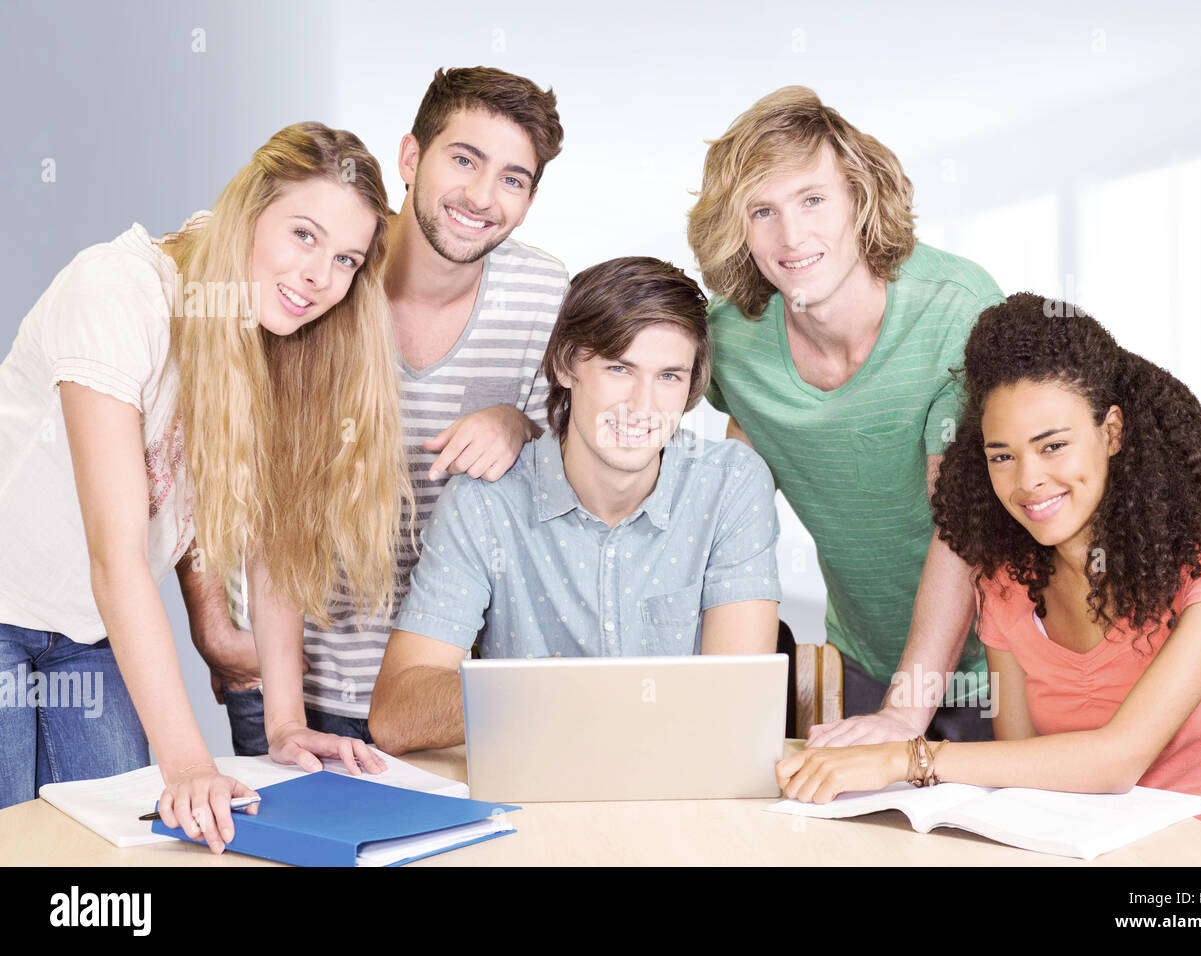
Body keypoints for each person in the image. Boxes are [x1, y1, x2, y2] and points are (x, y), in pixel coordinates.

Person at [0, 122, 410, 851]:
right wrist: (187, 763)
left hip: (83, 635)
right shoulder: (116, 293)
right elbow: (117, 554)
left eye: (346, 258)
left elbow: (275, 539)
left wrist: (284, 723)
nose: (320, 277)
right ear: (247, 211)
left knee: (119, 849)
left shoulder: (276, 331)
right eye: (304, 234)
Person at [776, 293, 1201, 855]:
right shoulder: (1008, 576)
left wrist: (904, 757)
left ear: (1111, 431)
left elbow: (1117, 760)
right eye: (1002, 455)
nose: (1028, 480)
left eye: (1053, 446)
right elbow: (1020, 761)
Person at [179, 67, 569, 753]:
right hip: (288, 679)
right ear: (411, 158)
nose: (481, 197)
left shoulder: (544, 295)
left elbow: (569, 492)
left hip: (441, 691)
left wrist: (520, 425)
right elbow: (206, 442)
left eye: (513, 179)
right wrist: (213, 623)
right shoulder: (316, 277)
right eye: (465, 160)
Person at [687, 86, 1004, 744]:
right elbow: (731, 476)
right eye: (762, 211)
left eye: (812, 199)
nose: (791, 235)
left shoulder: (955, 310)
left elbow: (962, 530)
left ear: (859, 198)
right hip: (861, 660)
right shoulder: (735, 344)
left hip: (1001, 670)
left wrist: (905, 715)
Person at [368, 257, 782, 753]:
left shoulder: (730, 485)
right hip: (532, 807)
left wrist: (559, 699)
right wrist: (563, 694)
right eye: (618, 368)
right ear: (566, 364)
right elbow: (395, 715)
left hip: (679, 803)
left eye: (669, 376)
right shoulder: (485, 501)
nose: (643, 406)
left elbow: (736, 711)